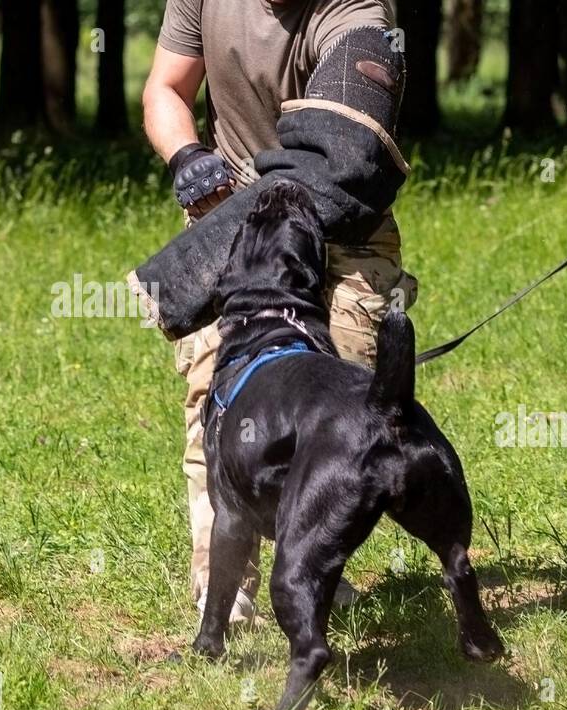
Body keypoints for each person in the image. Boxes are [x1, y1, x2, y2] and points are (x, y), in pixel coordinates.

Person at [141, 0, 417, 623]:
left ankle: (311, 558)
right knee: (219, 392)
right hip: (236, 221)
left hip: (345, 223)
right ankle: (223, 590)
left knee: (341, 401)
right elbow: (165, 88)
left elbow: (335, 157)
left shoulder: (359, 12)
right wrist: (185, 155)